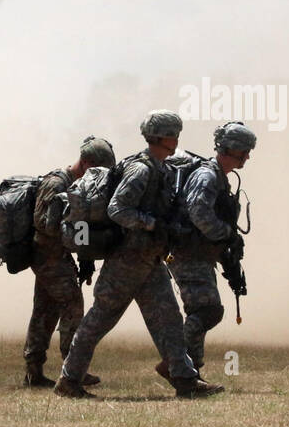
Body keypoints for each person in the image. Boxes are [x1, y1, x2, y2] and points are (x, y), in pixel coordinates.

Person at [57, 111, 223, 400]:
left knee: (170, 320)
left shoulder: (161, 168)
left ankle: (185, 379)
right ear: (161, 137)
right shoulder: (142, 170)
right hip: (127, 261)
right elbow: (117, 209)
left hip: (150, 259)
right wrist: (151, 223)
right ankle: (69, 380)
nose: (177, 138)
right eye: (173, 133)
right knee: (98, 320)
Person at [161, 122, 255, 382]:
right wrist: (226, 234)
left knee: (201, 311)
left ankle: (191, 370)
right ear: (232, 149)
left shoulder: (220, 178)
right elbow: (198, 211)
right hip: (187, 253)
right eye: (245, 150)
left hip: (198, 254)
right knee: (207, 311)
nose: (248, 156)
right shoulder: (208, 175)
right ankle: (176, 363)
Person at [23, 136, 116, 388]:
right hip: (47, 256)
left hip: (57, 256)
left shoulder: (78, 185)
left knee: (45, 310)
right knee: (73, 304)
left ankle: (34, 372)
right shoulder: (56, 183)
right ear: (85, 163)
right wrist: (69, 222)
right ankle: (73, 367)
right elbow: (43, 223)